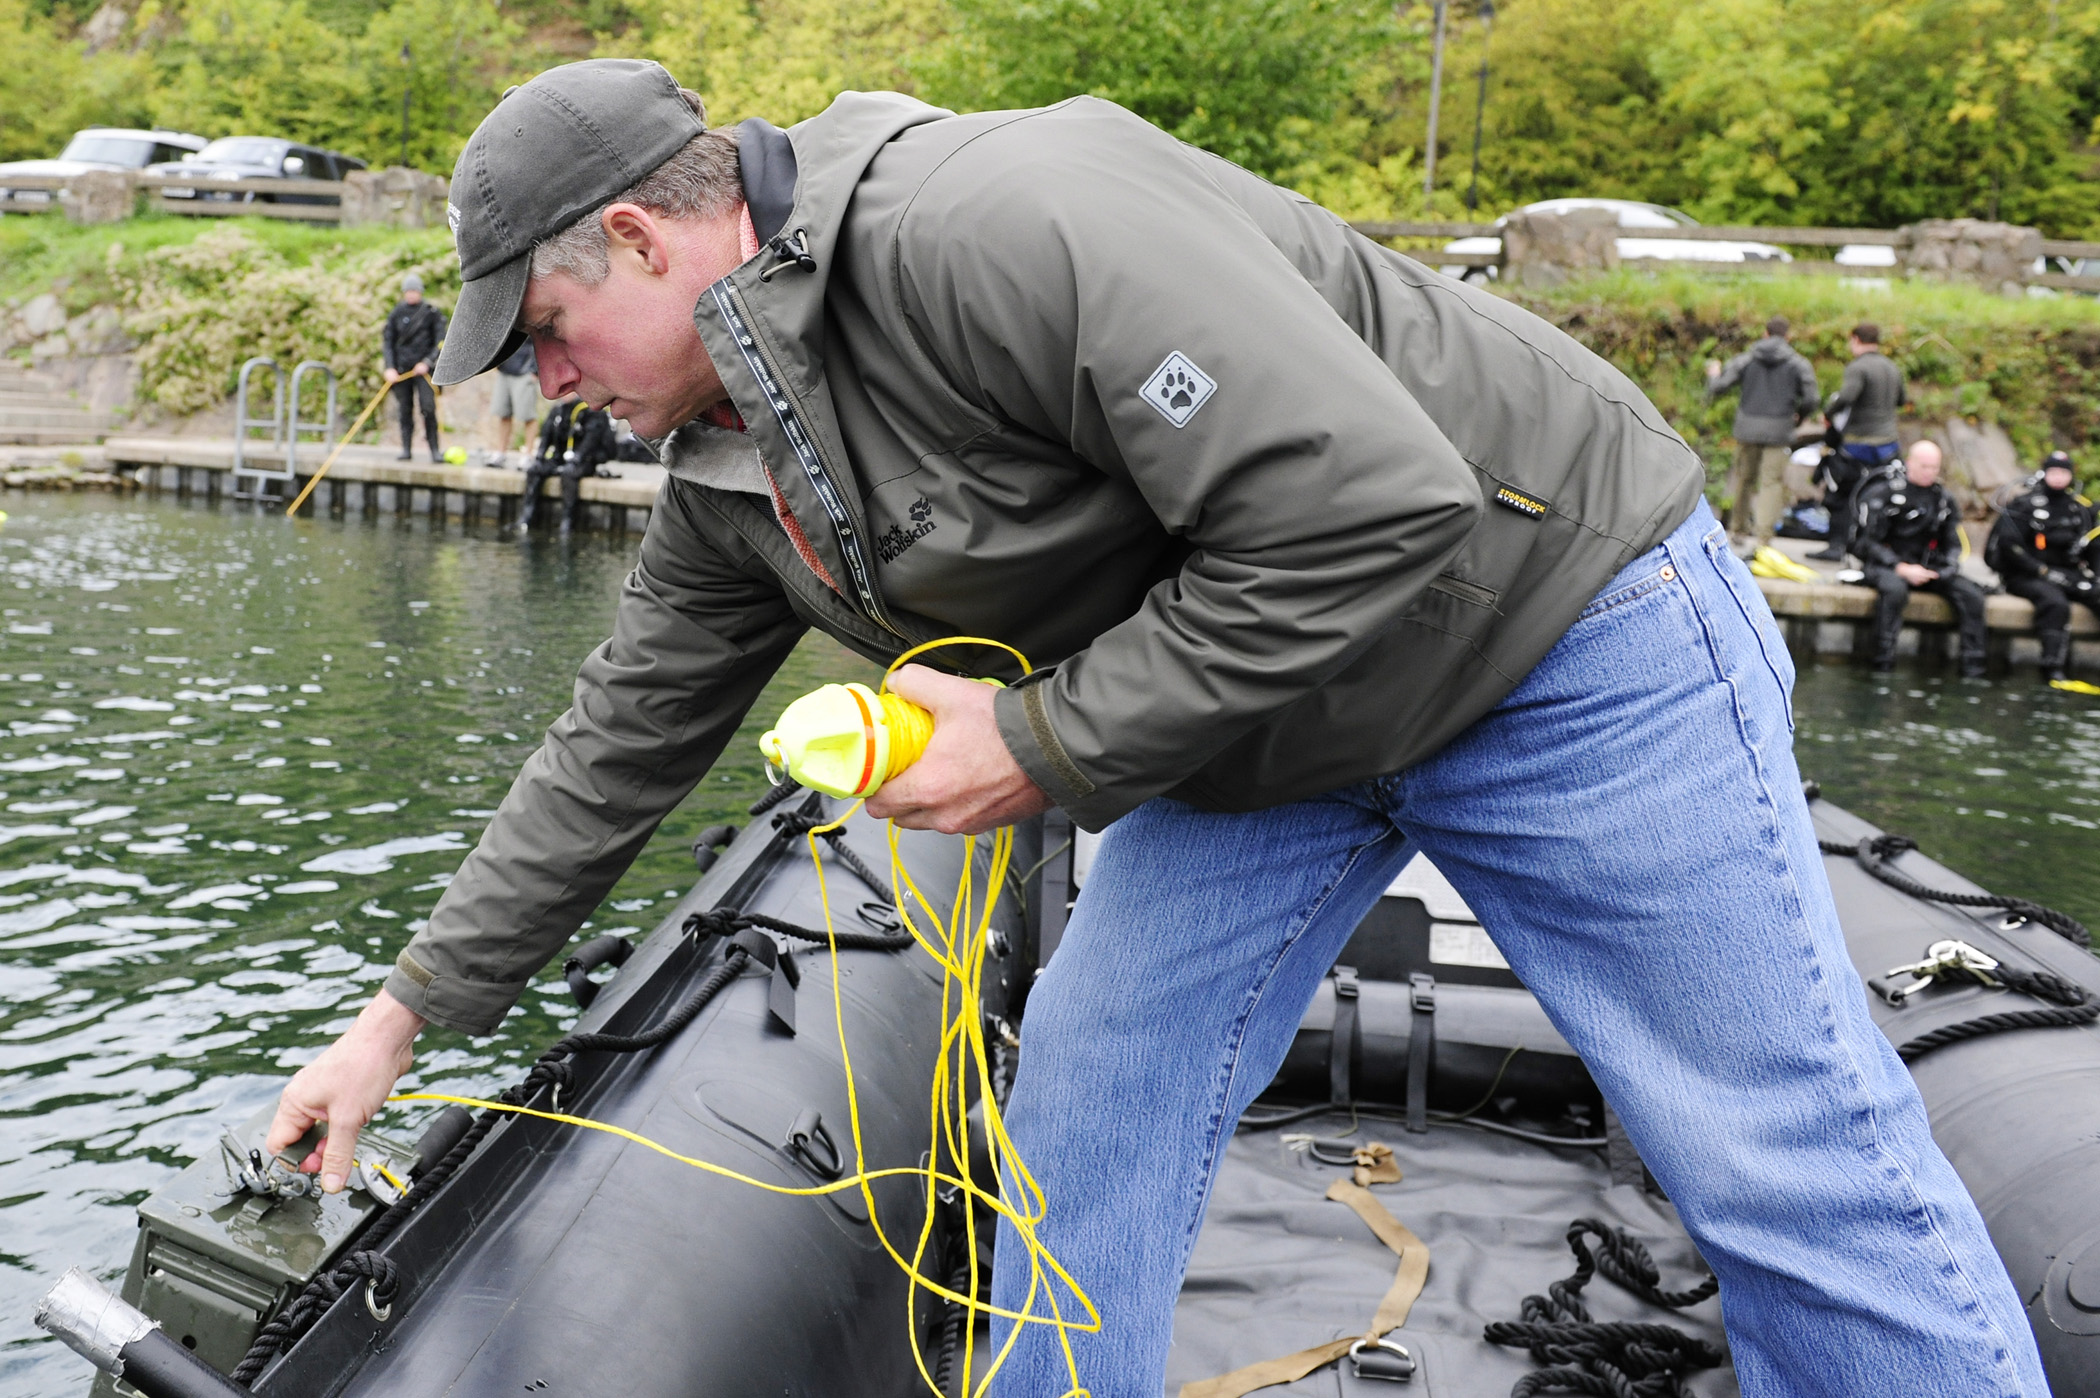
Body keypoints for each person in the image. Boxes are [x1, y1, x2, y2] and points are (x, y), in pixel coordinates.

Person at [266, 62, 2048, 1398]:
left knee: (1771, 1141)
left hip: (1549, 626)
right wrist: (402, 1017)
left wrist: (1038, 746)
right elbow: (613, 748)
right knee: (1083, 1129)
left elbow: (1371, 509)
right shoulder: (731, 468)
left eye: (551, 332)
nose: (537, 381)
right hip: (1260, 711)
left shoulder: (1004, 216)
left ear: (647, 237)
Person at [1854, 440, 1987, 676]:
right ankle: (1882, 662)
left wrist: (1944, 570)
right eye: (1924, 466)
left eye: (1934, 467)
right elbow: (1865, 543)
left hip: (1928, 568)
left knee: (1971, 595)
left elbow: (1953, 545)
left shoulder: (1943, 499)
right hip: (1888, 565)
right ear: (1910, 463)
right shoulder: (1885, 493)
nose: (1929, 473)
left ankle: (1973, 667)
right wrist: (1899, 566)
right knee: (1894, 592)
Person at [1704, 314, 1819, 551]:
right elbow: (1811, 398)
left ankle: (1737, 530)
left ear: (1765, 334)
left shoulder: (1746, 359)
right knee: (1771, 483)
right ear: (1787, 337)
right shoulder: (1798, 363)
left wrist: (1713, 374)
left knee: (1745, 480)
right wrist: (1799, 416)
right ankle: (1764, 538)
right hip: (1779, 430)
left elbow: (1719, 387)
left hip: (1747, 429)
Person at [1986, 449, 2098, 681]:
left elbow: (2090, 546)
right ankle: (2052, 670)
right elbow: (2009, 545)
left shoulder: (2078, 509)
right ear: (2044, 472)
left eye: (2063, 472)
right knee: (2055, 603)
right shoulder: (2025, 505)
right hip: (2028, 574)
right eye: (2053, 471)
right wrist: (2041, 570)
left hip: (2067, 572)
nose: (2058, 477)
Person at [1812, 323, 1906, 561]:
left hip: (1858, 444)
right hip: (1888, 445)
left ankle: (1836, 547)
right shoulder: (1892, 367)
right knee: (1880, 496)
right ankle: (1870, 549)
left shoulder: (1858, 367)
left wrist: (1827, 413)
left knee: (1840, 495)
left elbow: (1847, 396)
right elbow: (1901, 400)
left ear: (1855, 339)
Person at [518, 393, 614, 533]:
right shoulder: (558, 410)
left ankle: (567, 521)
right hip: (559, 458)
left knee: (568, 473)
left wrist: (578, 457)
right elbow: (546, 435)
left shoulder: (591, 411)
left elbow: (592, 439)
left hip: (584, 461)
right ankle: (527, 516)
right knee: (534, 470)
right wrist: (540, 456)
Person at [382, 273, 447, 463]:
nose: (411, 295)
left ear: (420, 292)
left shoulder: (431, 313)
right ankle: (406, 449)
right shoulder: (396, 313)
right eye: (408, 291)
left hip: (424, 370)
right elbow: (388, 343)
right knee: (404, 409)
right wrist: (390, 368)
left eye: (415, 291)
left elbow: (441, 341)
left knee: (428, 407)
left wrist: (427, 362)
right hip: (402, 370)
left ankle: (435, 450)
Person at [484, 337, 539, 468]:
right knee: (503, 413)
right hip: (505, 370)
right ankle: (501, 453)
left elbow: (540, 341)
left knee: (528, 416)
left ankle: (528, 455)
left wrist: (535, 371)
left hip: (525, 372)